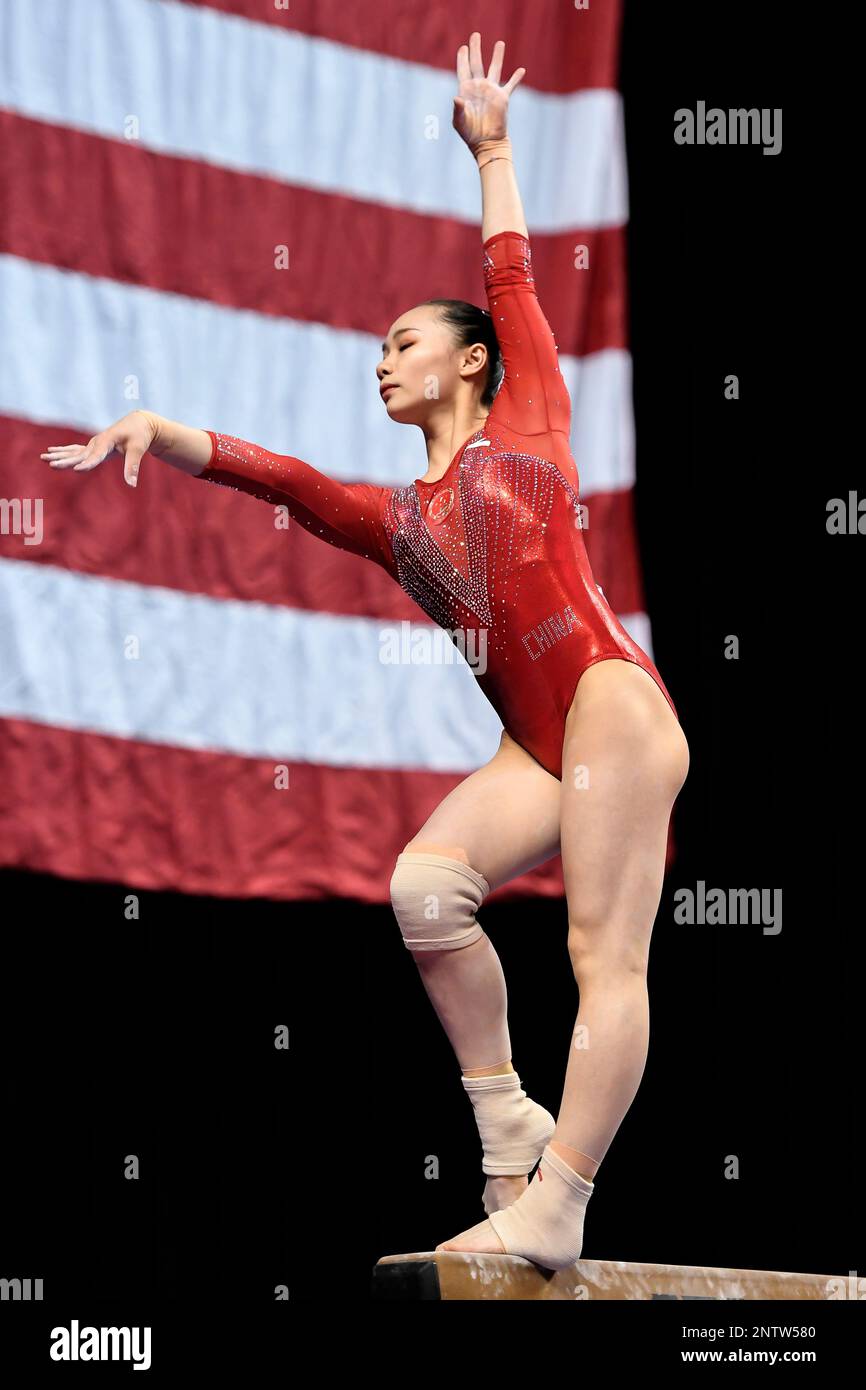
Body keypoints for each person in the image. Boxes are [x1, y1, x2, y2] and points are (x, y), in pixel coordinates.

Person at [41, 32, 689, 1271]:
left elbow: (511, 275)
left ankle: (562, 1194)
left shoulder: (529, 419)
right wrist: (163, 426)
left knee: (599, 951)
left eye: (403, 341)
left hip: (611, 703)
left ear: (468, 363)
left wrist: (491, 147)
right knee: (422, 889)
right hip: (536, 742)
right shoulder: (395, 521)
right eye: (377, 347)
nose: (380, 358)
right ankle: (508, 1130)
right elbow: (282, 478)